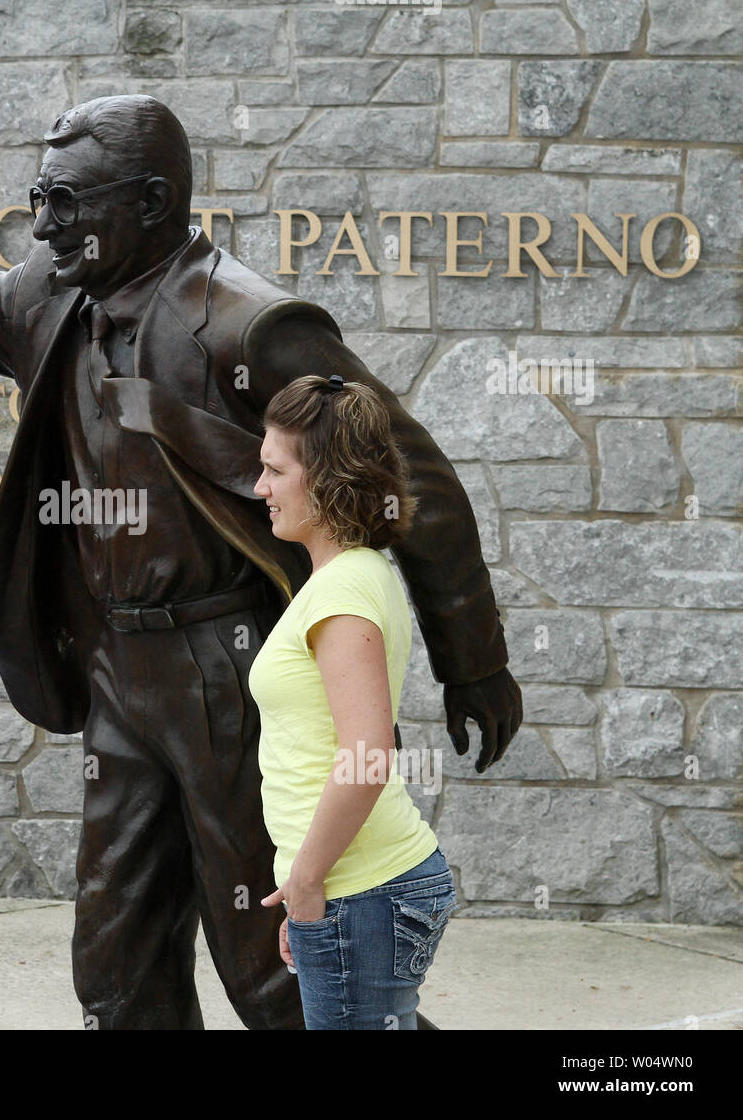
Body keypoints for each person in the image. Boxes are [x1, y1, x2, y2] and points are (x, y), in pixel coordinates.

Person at [0, 28, 521, 1030]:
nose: (39, 226)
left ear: (147, 205)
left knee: (274, 963)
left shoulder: (247, 325)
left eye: (64, 204)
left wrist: (472, 662)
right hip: (117, 674)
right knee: (117, 969)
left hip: (229, 666)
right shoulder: (45, 298)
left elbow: (417, 485)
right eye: (38, 199)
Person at [253, 374, 456, 1029]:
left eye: (274, 470)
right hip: (356, 888)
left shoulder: (344, 591)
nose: (260, 488)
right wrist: (304, 887)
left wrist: (309, 882)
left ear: (326, 480)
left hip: (362, 890)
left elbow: (367, 754)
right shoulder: (351, 576)